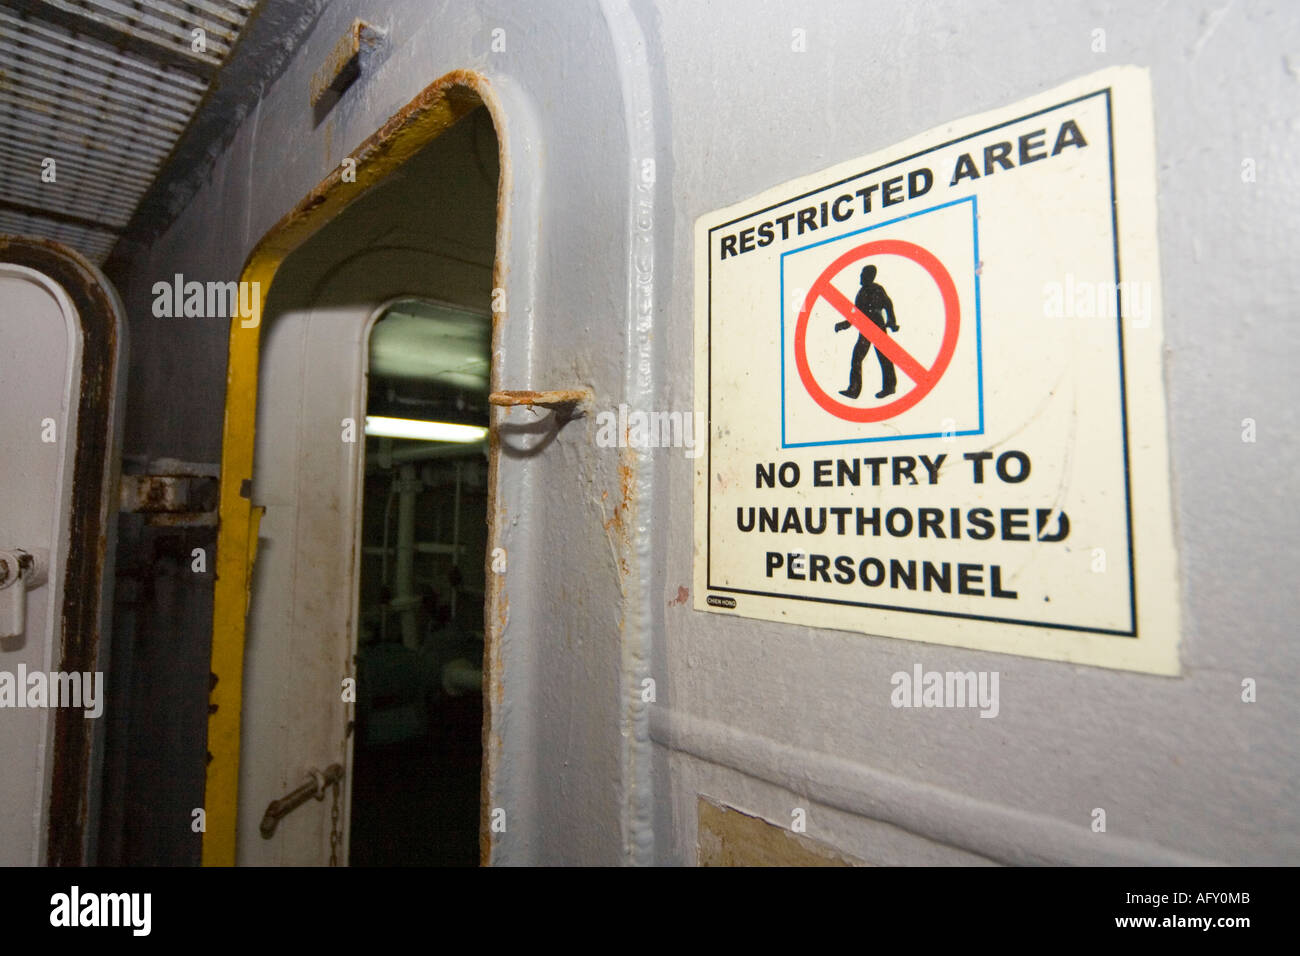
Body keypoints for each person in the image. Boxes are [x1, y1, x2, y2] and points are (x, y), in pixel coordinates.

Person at [835, 264, 899, 399]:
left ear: (869, 276)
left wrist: (892, 322)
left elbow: (888, 304)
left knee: (884, 357)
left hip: (876, 327)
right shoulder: (861, 292)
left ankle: (889, 387)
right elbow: (855, 313)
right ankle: (854, 389)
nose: (861, 277)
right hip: (865, 328)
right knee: (858, 358)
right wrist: (844, 325)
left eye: (863, 274)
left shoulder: (877, 289)